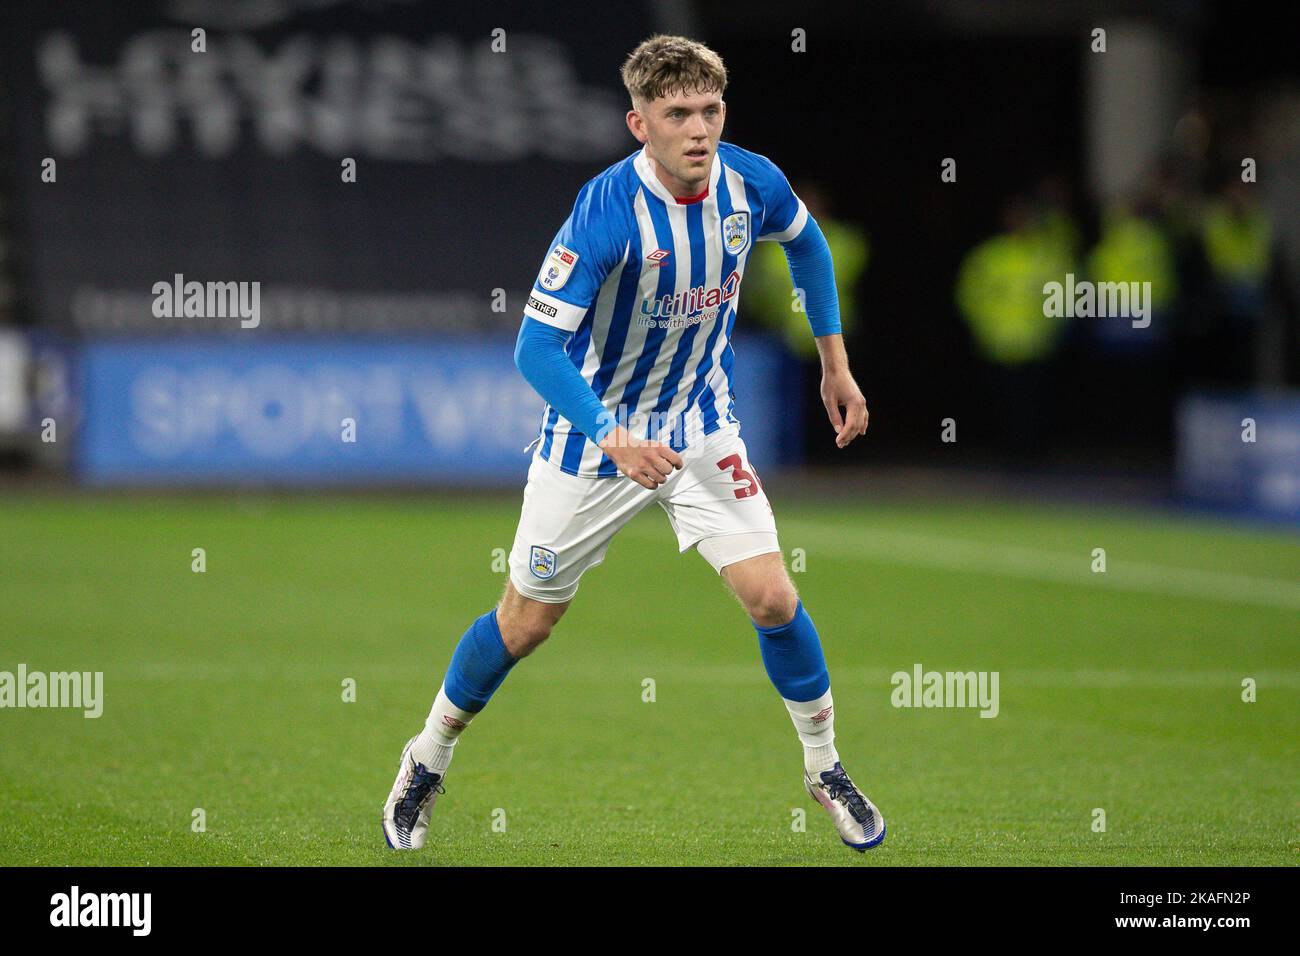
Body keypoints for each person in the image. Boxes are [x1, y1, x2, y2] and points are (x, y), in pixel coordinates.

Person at [382, 34, 884, 854]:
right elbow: (535, 350)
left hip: (699, 424)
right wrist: (611, 437)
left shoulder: (751, 181)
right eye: (677, 113)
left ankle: (824, 766)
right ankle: (427, 755)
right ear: (637, 122)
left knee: (773, 597)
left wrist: (836, 363)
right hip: (594, 441)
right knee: (526, 623)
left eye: (711, 110)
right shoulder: (607, 211)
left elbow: (808, 244)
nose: (698, 129)